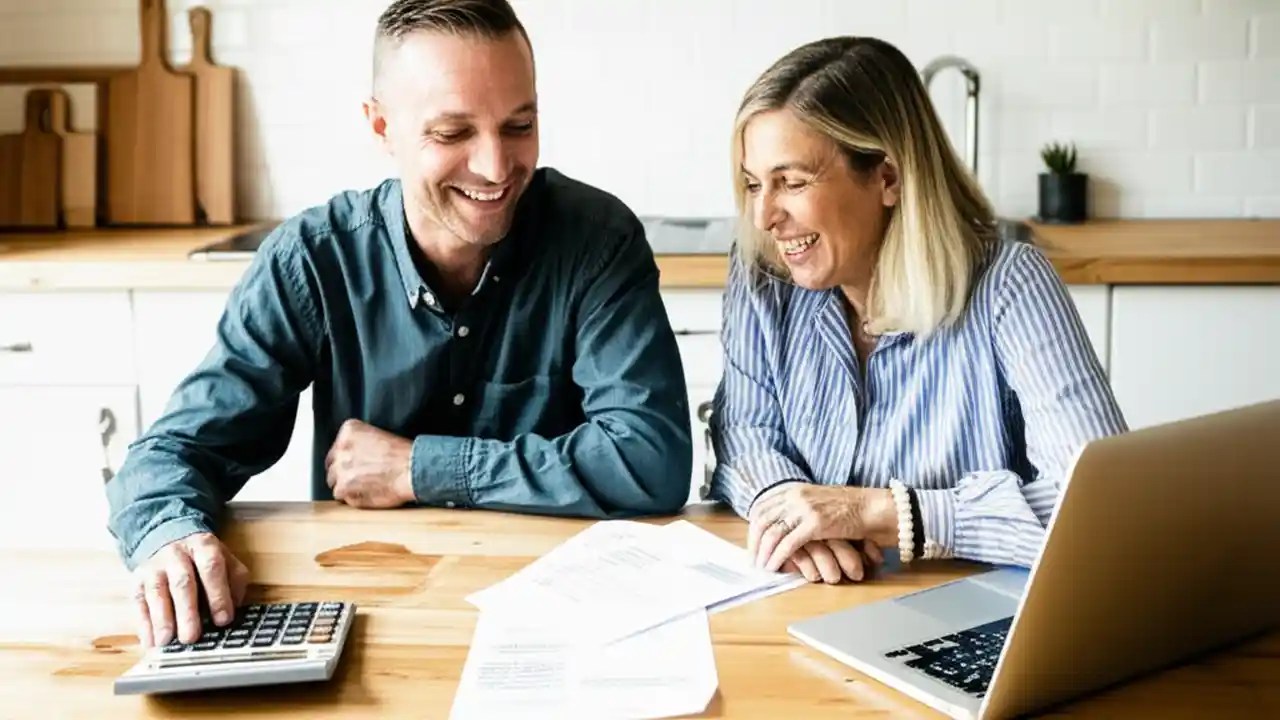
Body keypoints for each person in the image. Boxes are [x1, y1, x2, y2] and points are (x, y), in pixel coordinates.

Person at [107, 0, 691, 648]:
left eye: (519, 124)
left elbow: (651, 460)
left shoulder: (596, 241)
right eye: (452, 134)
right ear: (382, 126)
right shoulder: (313, 259)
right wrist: (170, 536)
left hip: (569, 622)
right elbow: (172, 453)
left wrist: (419, 467)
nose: (496, 167)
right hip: (373, 618)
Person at [709, 36, 1127, 585]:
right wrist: (785, 509)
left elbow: (1099, 507)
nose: (764, 216)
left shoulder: (1009, 285)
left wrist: (887, 514)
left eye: (791, 182)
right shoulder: (763, 273)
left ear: (888, 177)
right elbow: (744, 432)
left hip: (972, 612)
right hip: (807, 603)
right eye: (753, 184)